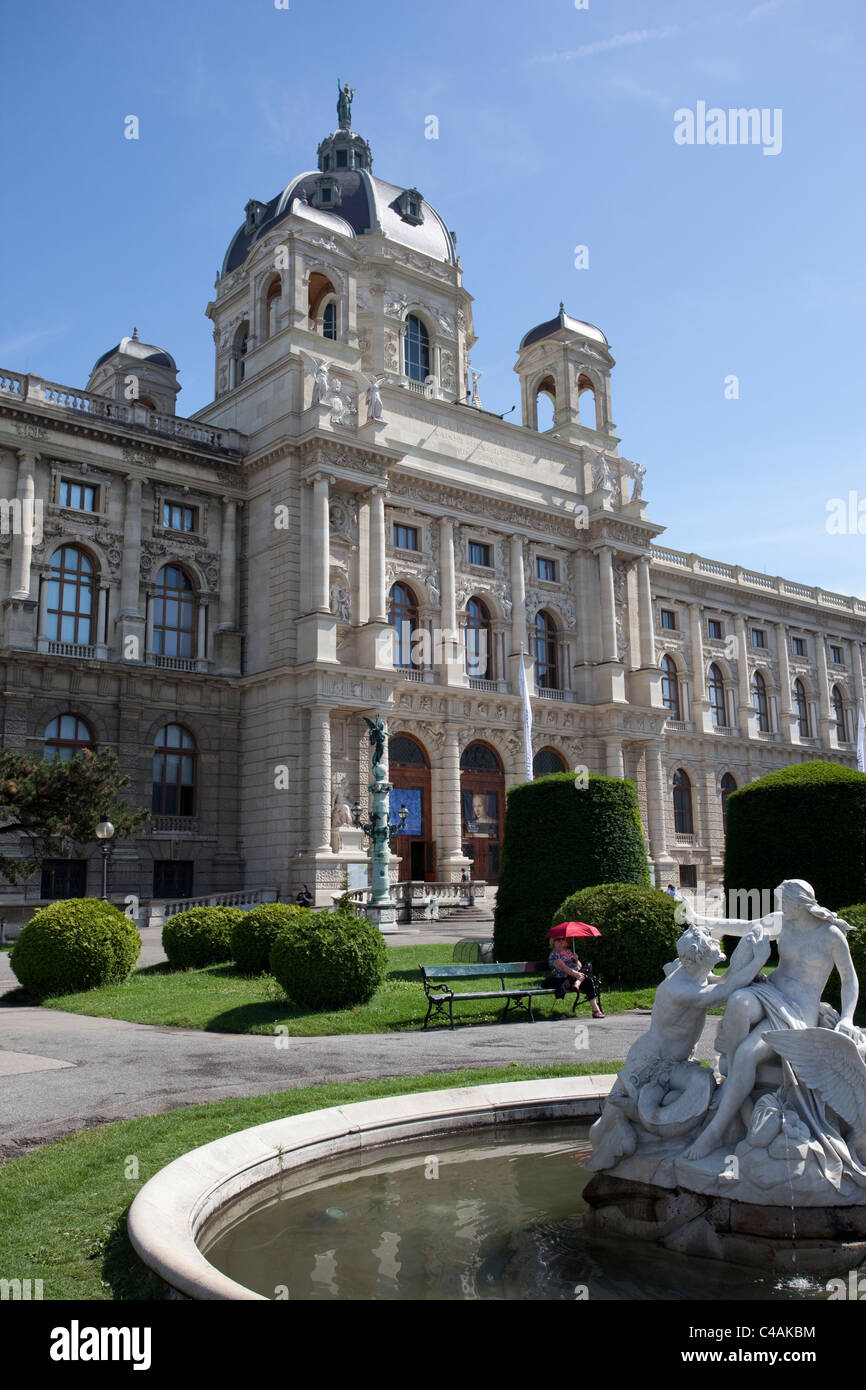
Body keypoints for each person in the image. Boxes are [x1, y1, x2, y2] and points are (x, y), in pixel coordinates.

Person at [681, 878, 859, 1160]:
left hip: (798, 1009)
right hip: (771, 989)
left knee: (749, 1055)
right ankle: (731, 1077)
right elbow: (743, 927)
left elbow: (849, 980)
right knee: (739, 1000)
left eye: (784, 902)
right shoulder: (783, 922)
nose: (781, 907)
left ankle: (715, 1130)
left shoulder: (830, 936)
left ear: (800, 903)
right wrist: (700, 919)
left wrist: (847, 1018)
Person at [549, 941, 604, 1018]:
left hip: (577, 979)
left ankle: (595, 1010)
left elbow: (580, 967)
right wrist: (576, 975)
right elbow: (564, 968)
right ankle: (596, 1010)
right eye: (558, 940)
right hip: (565, 979)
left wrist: (577, 960)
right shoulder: (553, 955)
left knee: (588, 967)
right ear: (553, 942)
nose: (561, 942)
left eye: (563, 939)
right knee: (587, 979)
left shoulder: (569, 952)